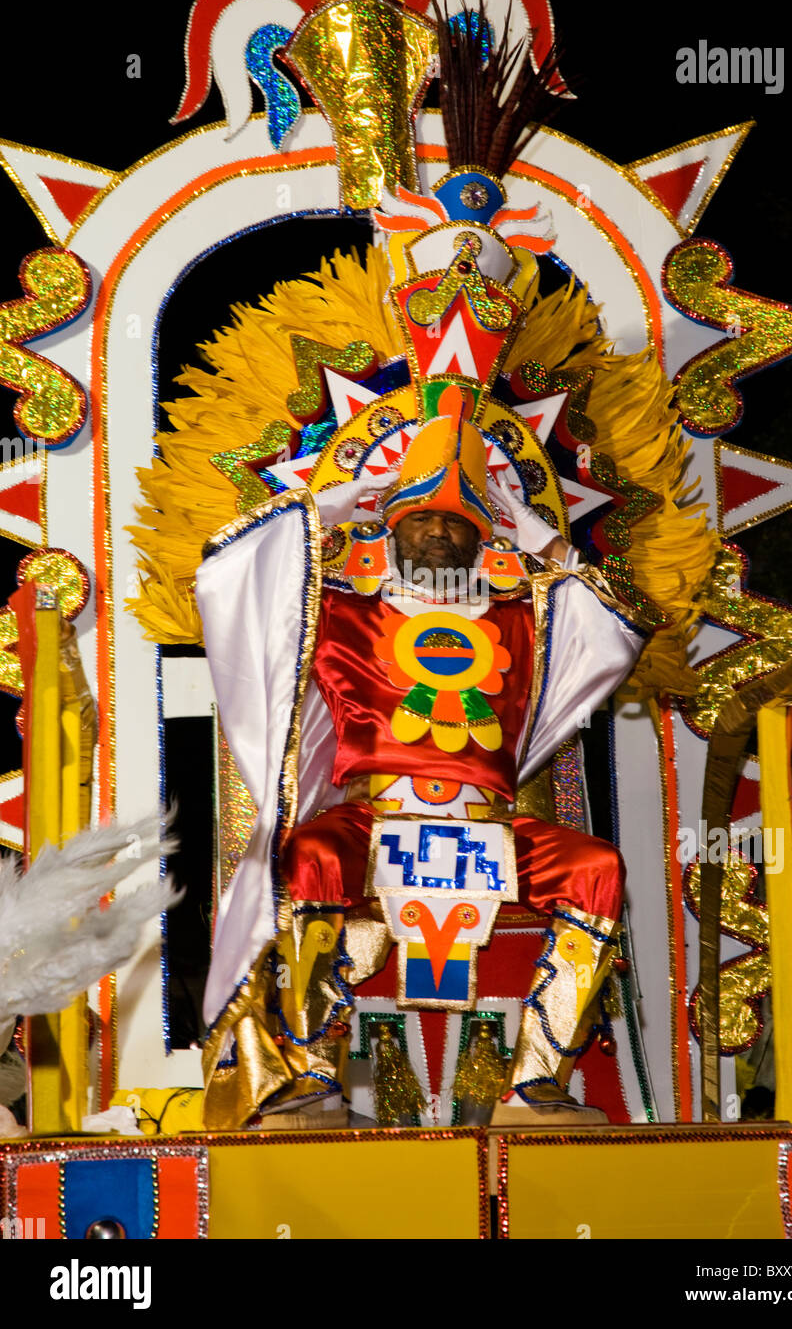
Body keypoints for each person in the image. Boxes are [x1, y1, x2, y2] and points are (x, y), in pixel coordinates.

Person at [196, 404, 649, 1130]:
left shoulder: (524, 619)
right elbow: (236, 567)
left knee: (597, 868)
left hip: (491, 824)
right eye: (420, 516)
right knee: (310, 854)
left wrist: (536, 533)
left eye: (459, 521)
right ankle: (312, 1076)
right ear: (390, 526)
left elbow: (622, 618)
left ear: (483, 535)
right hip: (372, 818)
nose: (439, 530)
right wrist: (336, 499)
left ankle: (536, 1084)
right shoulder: (339, 613)